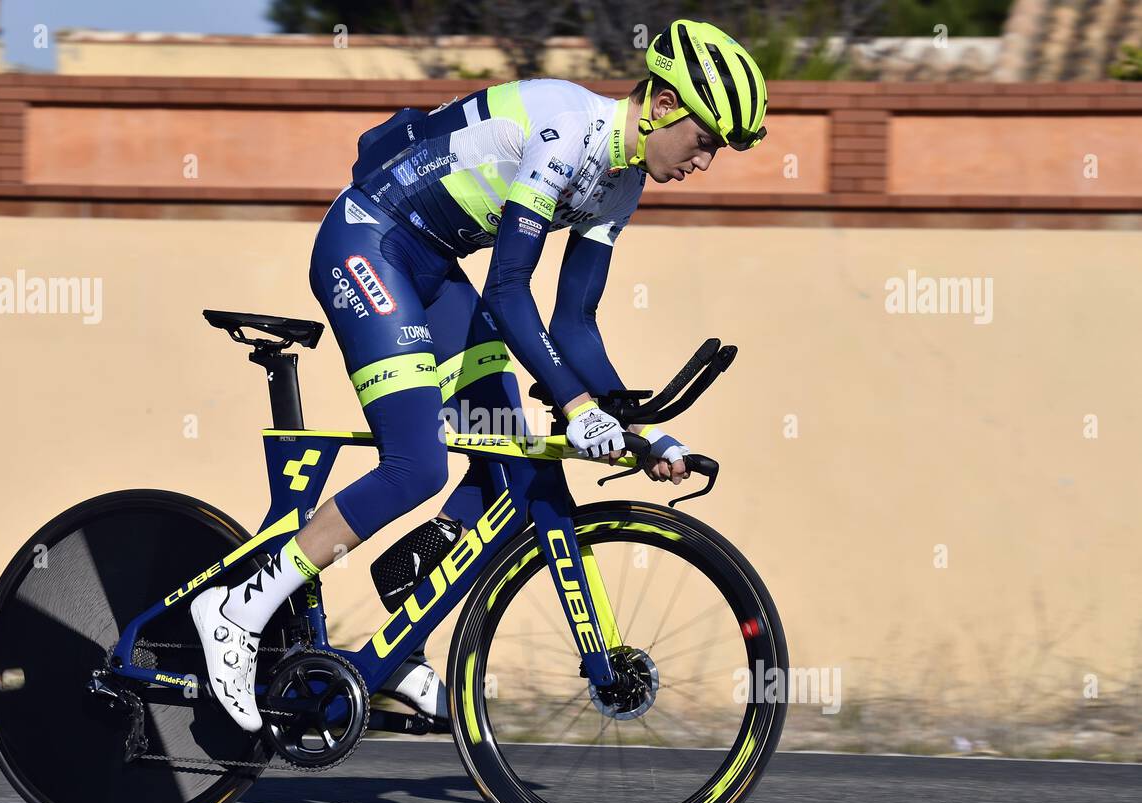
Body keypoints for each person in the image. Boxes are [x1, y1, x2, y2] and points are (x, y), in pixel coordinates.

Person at [192, 19, 769, 731]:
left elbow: (573, 327)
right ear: (660, 106)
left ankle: (397, 645)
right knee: (415, 464)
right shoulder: (565, 129)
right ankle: (236, 609)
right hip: (369, 241)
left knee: (508, 465)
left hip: (431, 270)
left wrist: (643, 432)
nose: (702, 162)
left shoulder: (621, 187)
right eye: (706, 139)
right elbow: (507, 291)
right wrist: (579, 405)